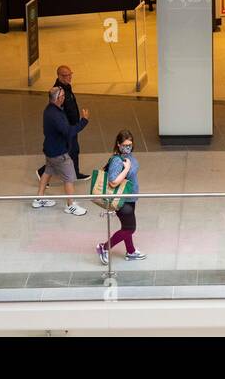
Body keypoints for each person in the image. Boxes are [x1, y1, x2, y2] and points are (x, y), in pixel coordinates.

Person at [33, 84, 89, 215]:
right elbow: (68, 132)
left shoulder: (49, 110)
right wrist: (84, 121)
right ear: (57, 98)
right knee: (69, 177)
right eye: (63, 96)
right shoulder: (55, 115)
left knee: (47, 172)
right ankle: (70, 205)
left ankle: (39, 198)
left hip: (49, 149)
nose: (64, 98)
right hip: (59, 153)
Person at [96, 129, 145, 264]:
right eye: (124, 145)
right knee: (130, 228)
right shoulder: (118, 161)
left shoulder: (128, 157)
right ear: (118, 144)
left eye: (130, 145)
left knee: (126, 227)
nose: (127, 148)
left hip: (130, 199)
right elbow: (113, 182)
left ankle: (130, 251)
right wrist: (127, 169)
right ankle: (104, 247)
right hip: (123, 200)